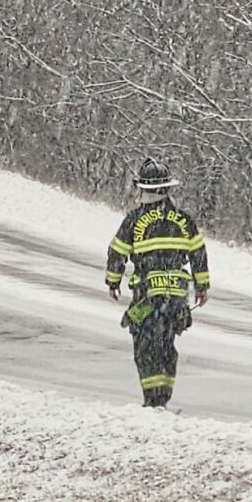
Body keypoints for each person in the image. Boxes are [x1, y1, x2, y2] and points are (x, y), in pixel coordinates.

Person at [106, 158, 210, 408]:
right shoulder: (183, 220)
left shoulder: (134, 219)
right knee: (165, 347)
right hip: (175, 297)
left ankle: (152, 401)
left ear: (142, 188)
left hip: (147, 294)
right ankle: (162, 397)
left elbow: (117, 251)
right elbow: (198, 253)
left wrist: (113, 280)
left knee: (145, 347)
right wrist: (202, 286)